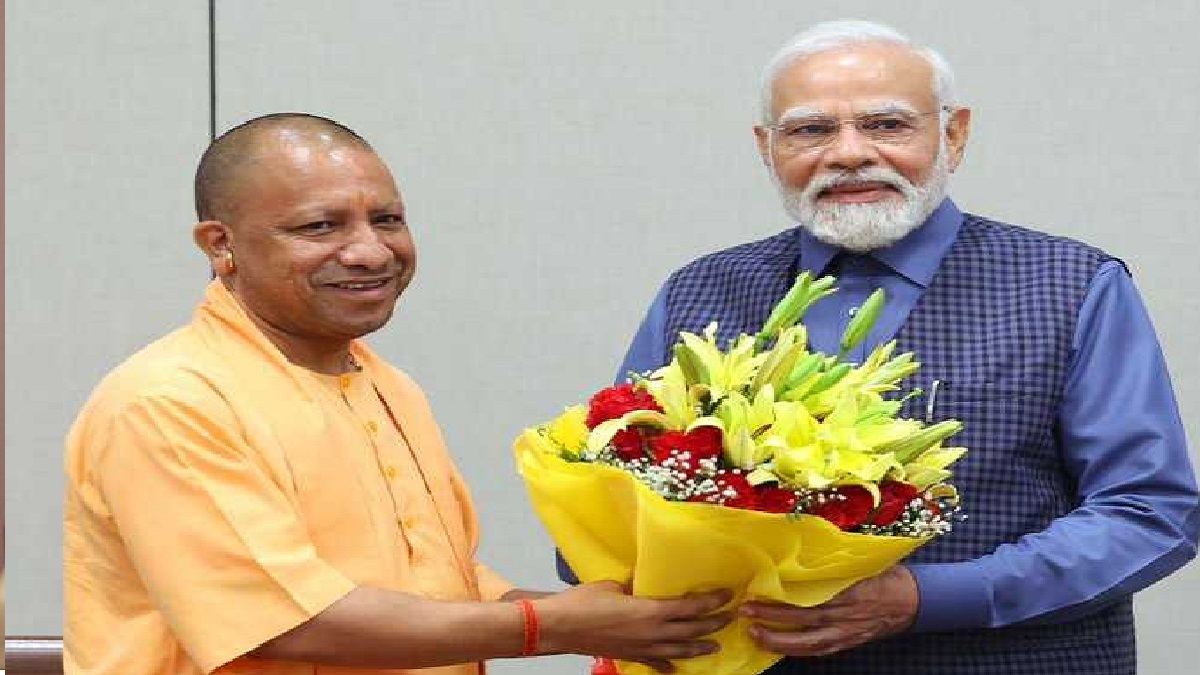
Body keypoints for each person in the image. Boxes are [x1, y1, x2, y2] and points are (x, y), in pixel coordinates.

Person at [577, 19, 1199, 675]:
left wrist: (928, 596)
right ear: (767, 147)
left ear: (953, 134)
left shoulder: (1072, 285)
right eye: (811, 130)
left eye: (887, 125)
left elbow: (1148, 512)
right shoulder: (699, 291)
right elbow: (610, 503)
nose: (849, 153)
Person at [64, 113, 732, 675]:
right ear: (221, 244)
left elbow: (442, 589)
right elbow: (290, 622)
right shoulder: (169, 401)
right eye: (320, 227)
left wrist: (629, 615)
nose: (370, 252)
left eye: (386, 219)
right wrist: (553, 623)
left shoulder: (385, 383)